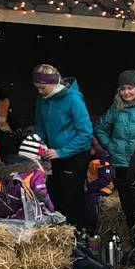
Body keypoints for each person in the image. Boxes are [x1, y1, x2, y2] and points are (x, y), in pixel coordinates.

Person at [94, 70, 135, 253]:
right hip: (121, 164)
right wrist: (110, 146)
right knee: (128, 208)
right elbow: (100, 127)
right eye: (122, 89)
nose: (126, 93)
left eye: (130, 88)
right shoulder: (115, 109)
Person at [32, 64, 93, 229]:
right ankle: (60, 237)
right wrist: (40, 144)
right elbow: (39, 125)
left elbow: (85, 133)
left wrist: (61, 152)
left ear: (53, 83)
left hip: (74, 155)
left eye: (42, 87)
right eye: (37, 88)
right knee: (54, 196)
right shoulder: (42, 99)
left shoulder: (73, 99)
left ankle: (77, 235)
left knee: (70, 198)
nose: (39, 91)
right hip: (52, 155)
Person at [83, 138, 116, 234]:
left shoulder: (103, 163)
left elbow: (105, 179)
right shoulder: (93, 161)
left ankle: (92, 224)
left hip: (103, 190)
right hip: (93, 188)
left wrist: (90, 187)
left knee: (91, 201)